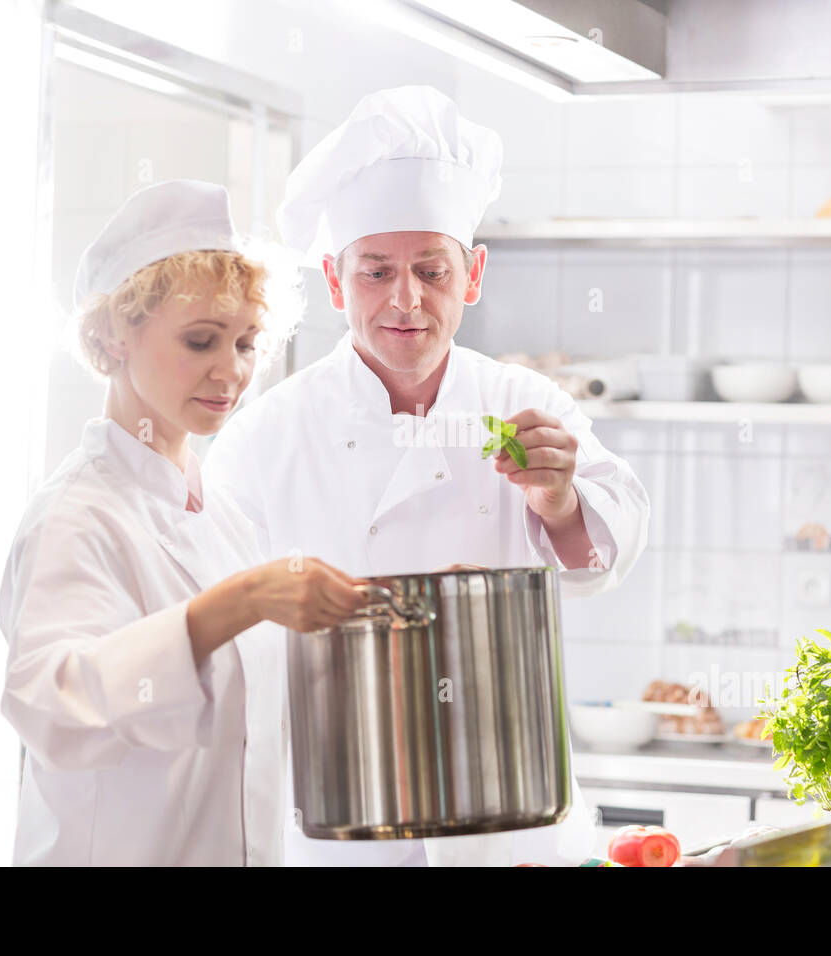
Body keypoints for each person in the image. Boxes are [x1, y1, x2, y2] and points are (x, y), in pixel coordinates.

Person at [204, 86, 651, 866]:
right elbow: (216, 638)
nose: (405, 299)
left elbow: (606, 559)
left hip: (510, 820)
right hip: (342, 823)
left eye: (431, 271)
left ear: (472, 275)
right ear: (336, 283)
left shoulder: (525, 403)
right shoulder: (262, 438)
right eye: (376, 272)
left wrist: (559, 499)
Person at [0, 180, 368, 865]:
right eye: (201, 341)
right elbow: (54, 708)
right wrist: (236, 603)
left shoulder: (219, 515)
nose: (231, 371)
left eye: (247, 343)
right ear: (112, 339)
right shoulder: (77, 517)